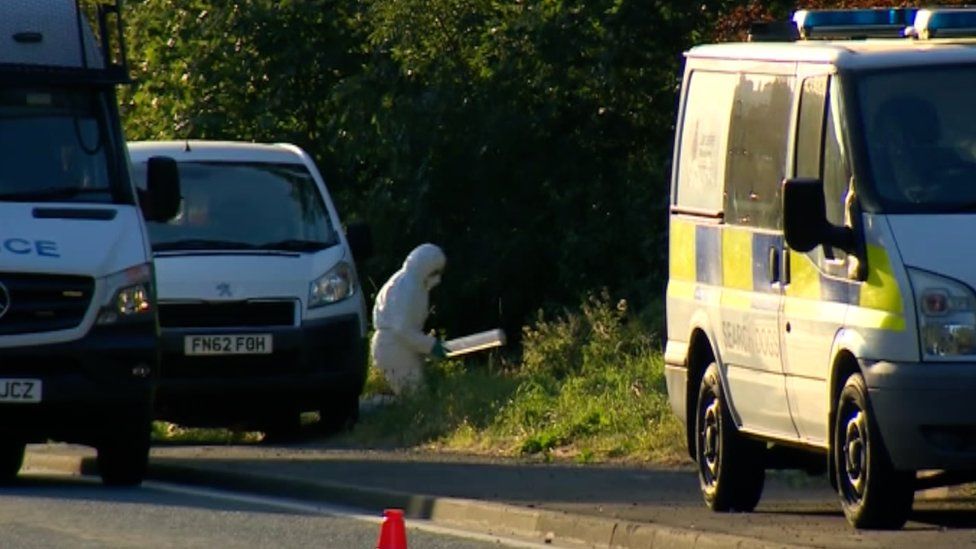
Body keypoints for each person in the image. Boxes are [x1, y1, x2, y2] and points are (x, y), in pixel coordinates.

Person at [370, 243, 449, 395]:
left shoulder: (414, 283)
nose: (437, 277)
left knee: (415, 394)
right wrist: (430, 345)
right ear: (427, 267)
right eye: (436, 272)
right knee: (414, 396)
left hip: (399, 346)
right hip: (394, 347)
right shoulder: (407, 286)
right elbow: (402, 329)